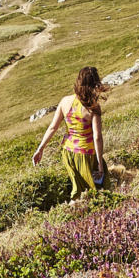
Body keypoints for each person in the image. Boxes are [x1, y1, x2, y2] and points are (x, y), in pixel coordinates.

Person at [32, 65, 106, 197]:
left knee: (78, 189)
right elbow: (97, 137)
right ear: (95, 84)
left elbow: (52, 127)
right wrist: (100, 164)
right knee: (96, 190)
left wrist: (40, 148)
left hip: (68, 152)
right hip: (86, 154)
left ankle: (73, 212)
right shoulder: (93, 107)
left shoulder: (65, 101)